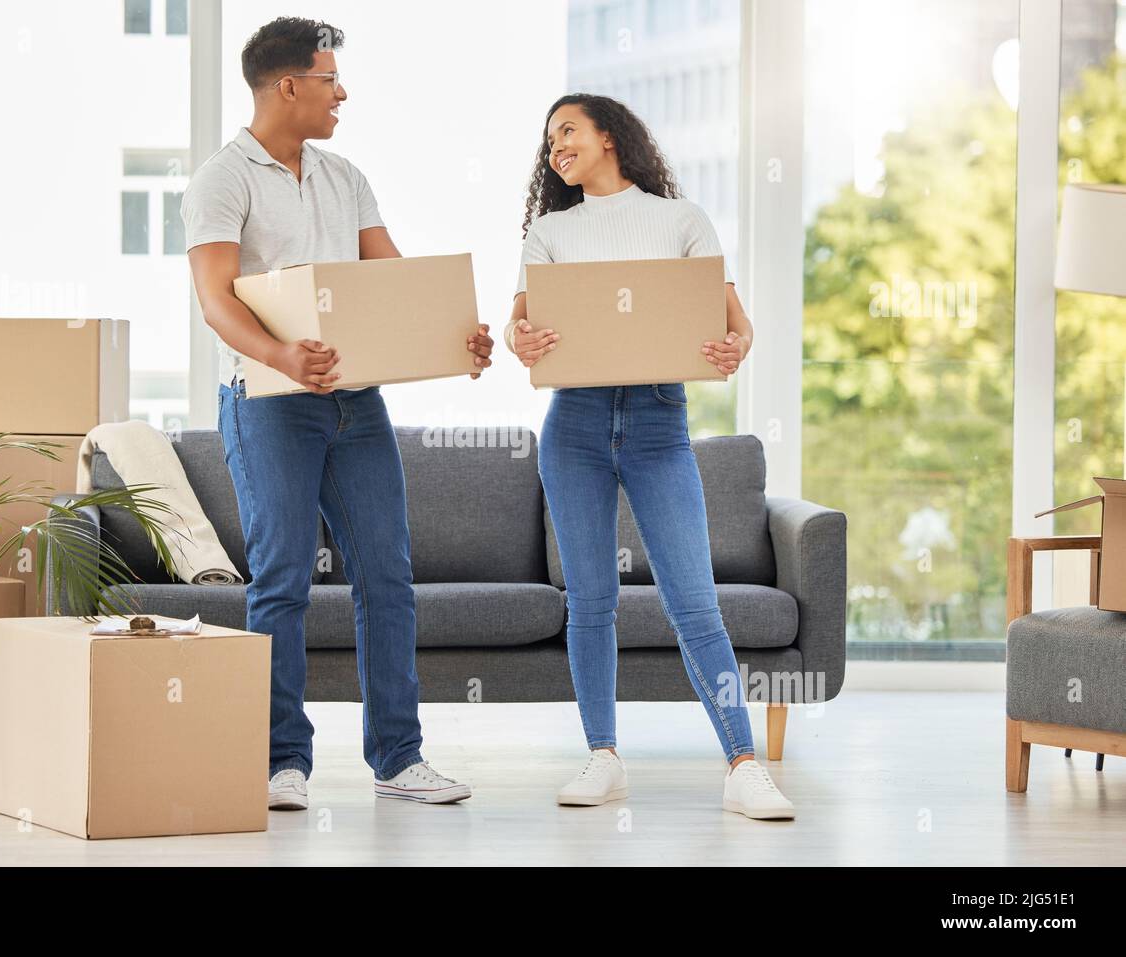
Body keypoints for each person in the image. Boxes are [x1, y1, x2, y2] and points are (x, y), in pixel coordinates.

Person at [182, 17, 493, 810]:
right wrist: (282, 355)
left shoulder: (343, 175)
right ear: (289, 85)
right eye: (330, 80)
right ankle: (280, 761)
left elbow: (391, 281)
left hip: (356, 402)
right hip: (269, 404)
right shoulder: (223, 179)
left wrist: (456, 331)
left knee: (388, 576)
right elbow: (216, 302)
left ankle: (399, 756)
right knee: (282, 579)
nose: (342, 93)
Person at [505, 93, 795, 820]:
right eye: (548, 140)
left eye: (567, 130)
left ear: (609, 136)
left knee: (694, 605)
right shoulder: (550, 231)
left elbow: (736, 325)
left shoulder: (679, 220)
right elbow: (519, 326)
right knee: (592, 602)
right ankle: (603, 756)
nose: (555, 147)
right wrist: (522, 342)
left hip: (658, 420)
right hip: (573, 424)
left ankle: (743, 764)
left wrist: (734, 347)